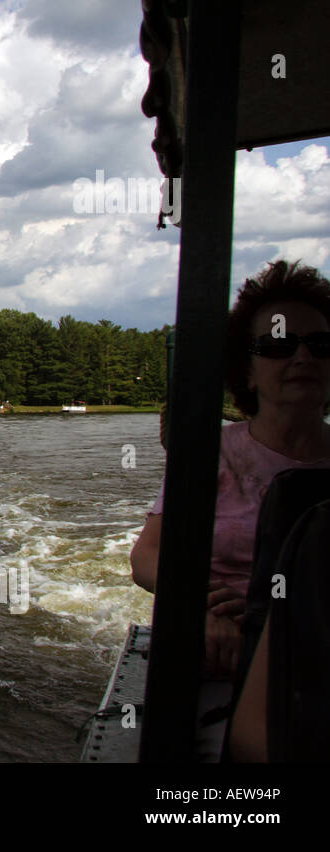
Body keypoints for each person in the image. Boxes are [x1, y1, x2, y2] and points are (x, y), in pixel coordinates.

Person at [129, 260, 330, 752]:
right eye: (278, 344)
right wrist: (199, 606)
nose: (302, 356)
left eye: (320, 344)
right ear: (247, 369)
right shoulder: (209, 455)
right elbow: (145, 558)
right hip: (213, 655)